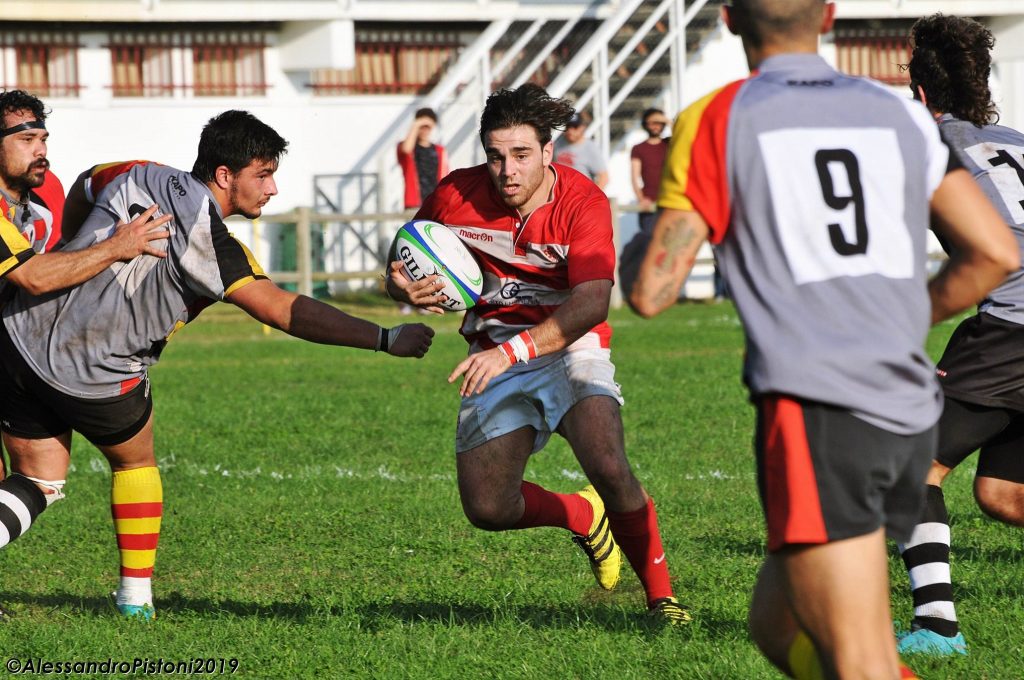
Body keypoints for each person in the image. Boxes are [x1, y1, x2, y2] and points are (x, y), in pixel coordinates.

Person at [628, 1, 1017, 678]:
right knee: (776, 626)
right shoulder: (896, 116)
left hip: (821, 403)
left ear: (726, 19)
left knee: (857, 658)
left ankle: (933, 628)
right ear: (831, 15)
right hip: (899, 396)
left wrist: (651, 231)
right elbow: (990, 251)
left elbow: (651, 292)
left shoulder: (720, 117)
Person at [0, 110, 435, 621]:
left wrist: (73, 249)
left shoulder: (138, 171)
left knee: (38, 478)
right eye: (263, 174)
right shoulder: (217, 248)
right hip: (95, 375)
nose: (272, 188)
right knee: (135, 463)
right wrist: (385, 337)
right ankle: (135, 602)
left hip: (16, 342)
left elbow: (83, 183)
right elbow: (285, 310)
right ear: (225, 176)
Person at [386, 83, 688, 623]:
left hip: (569, 345)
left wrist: (514, 352)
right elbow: (404, 259)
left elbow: (593, 301)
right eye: (496, 156)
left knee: (610, 465)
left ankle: (663, 599)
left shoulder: (583, 202)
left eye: (522, 155)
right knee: (488, 508)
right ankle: (580, 516)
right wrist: (401, 288)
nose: (508, 170)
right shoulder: (455, 194)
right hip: (493, 351)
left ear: (548, 153)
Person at [895, 14, 1024, 658]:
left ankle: (937, 629)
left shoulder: (926, 145)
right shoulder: (1018, 140)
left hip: (1008, 328)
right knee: (1004, 495)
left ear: (919, 88)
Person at [0, 89, 169, 298]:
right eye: (27, 139)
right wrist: (116, 246)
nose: (41, 150)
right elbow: (34, 277)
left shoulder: (47, 190)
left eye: (43, 140)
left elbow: (57, 262)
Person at [397, 107, 449, 211]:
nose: (424, 130)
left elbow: (445, 176)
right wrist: (416, 124)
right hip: (415, 205)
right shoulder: (406, 147)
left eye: (427, 126)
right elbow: (406, 149)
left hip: (436, 202)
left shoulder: (440, 150)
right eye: (422, 126)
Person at [630, 107, 670, 233]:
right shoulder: (638, 148)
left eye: (659, 122)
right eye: (652, 122)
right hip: (649, 203)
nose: (655, 126)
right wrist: (641, 198)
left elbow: (684, 134)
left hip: (669, 200)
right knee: (648, 242)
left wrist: (666, 120)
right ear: (645, 124)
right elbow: (634, 177)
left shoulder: (670, 143)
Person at [552, 112, 609, 190]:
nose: (570, 131)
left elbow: (603, 177)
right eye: (568, 126)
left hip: (580, 195)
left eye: (575, 127)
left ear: (583, 127)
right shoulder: (557, 143)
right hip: (560, 194)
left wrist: (592, 198)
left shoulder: (590, 148)